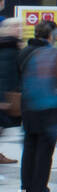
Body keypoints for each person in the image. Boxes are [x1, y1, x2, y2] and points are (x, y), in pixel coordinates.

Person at [17, 20, 57, 192]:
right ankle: (39, 189)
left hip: (28, 106)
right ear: (50, 35)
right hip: (47, 108)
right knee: (45, 151)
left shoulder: (24, 52)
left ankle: (26, 189)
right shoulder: (52, 54)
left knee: (29, 148)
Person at [0, 16, 20, 165]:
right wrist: (2, 99)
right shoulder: (7, 48)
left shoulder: (12, 46)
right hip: (4, 97)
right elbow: (3, 75)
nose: (19, 29)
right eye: (15, 26)